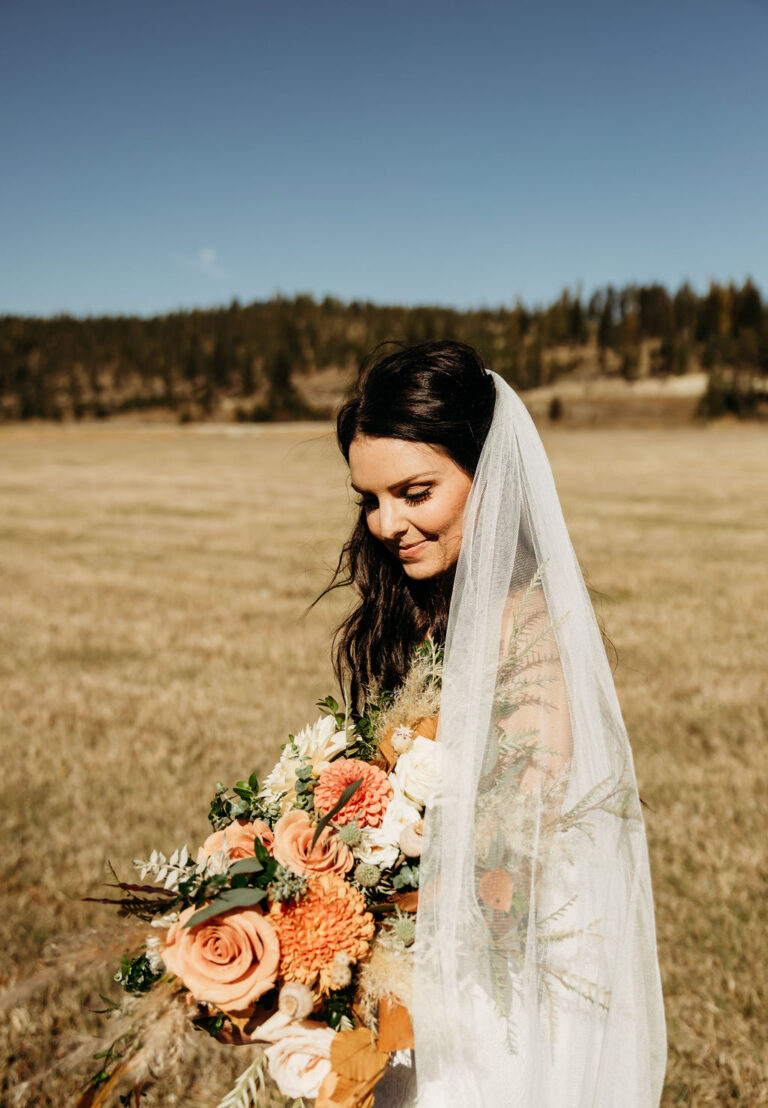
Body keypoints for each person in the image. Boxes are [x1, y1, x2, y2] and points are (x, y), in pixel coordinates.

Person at [325, 340, 666, 1107]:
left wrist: (387, 864)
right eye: (370, 499)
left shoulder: (529, 623)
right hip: (424, 938)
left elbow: (526, 816)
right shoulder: (422, 607)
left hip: (495, 958)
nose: (387, 524)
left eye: (415, 492)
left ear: (490, 472)